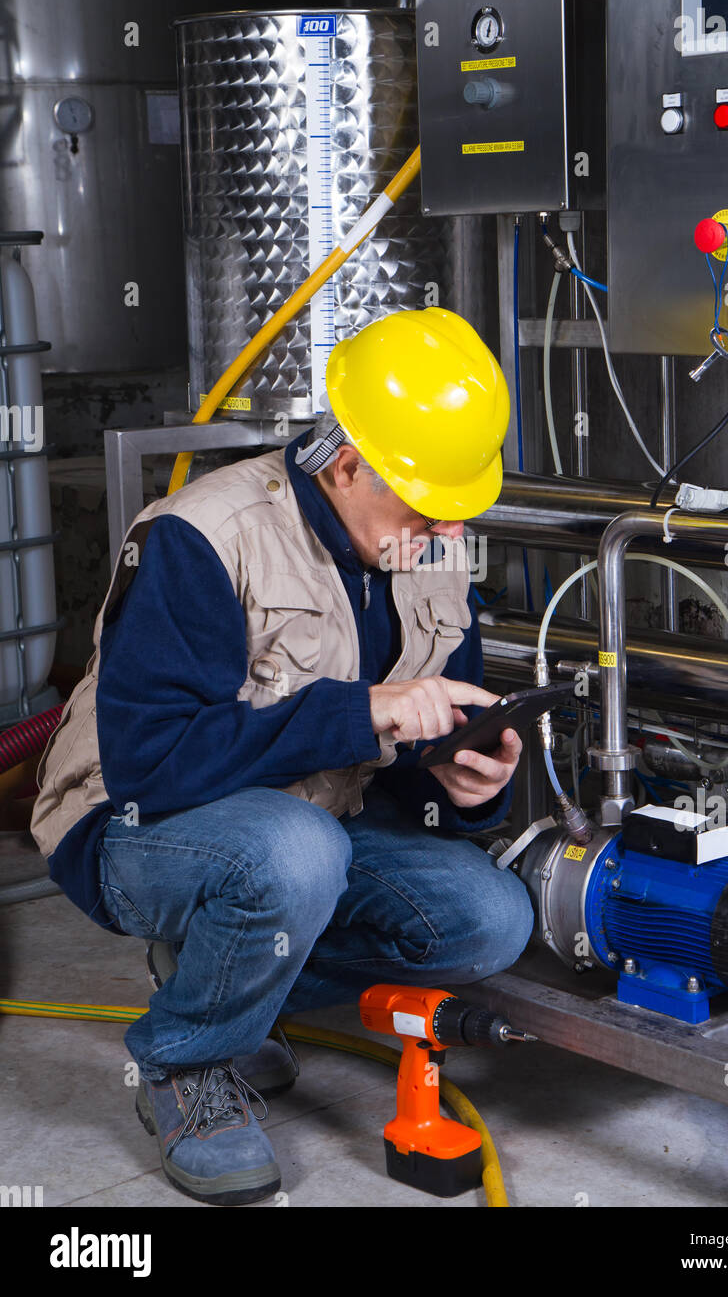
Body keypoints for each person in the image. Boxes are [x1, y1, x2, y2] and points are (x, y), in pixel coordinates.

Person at [30, 307, 534, 1206]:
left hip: (319, 820)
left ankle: (221, 978)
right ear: (346, 464)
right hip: (134, 827)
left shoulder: (427, 548)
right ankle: (188, 1061)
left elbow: (419, 746)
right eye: (428, 505)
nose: (447, 533)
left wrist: (464, 784)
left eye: (459, 511)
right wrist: (362, 712)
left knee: (489, 918)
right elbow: (152, 764)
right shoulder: (203, 536)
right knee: (295, 853)